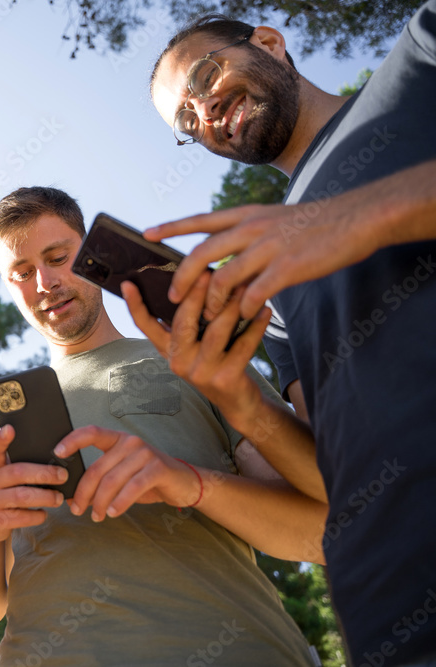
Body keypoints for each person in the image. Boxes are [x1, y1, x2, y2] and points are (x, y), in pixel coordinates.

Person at [149, 3, 436, 663]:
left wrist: (359, 215)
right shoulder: (266, 282)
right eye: (185, 122)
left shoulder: (421, 62)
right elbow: (332, 485)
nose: (203, 115)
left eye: (203, 79)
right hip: (391, 607)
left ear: (271, 43)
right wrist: (239, 401)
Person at [0, 186, 327, 666]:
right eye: (21, 273)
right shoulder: (1, 414)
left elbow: (319, 533)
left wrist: (186, 482)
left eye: (57, 257)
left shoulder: (193, 358)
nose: (43, 283)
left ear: (88, 256)